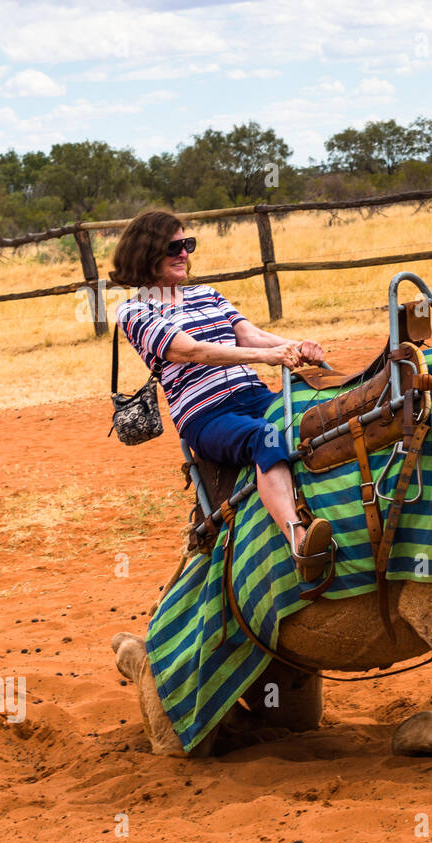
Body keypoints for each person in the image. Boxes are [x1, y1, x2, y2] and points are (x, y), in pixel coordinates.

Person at [110, 209, 333, 580]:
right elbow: (189, 350)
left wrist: (295, 346)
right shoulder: (135, 311)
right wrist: (267, 357)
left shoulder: (206, 294)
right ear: (145, 253)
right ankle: (299, 542)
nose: (183, 253)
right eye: (173, 247)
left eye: (187, 244)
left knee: (319, 407)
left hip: (253, 394)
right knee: (265, 436)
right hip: (207, 416)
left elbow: (250, 335)